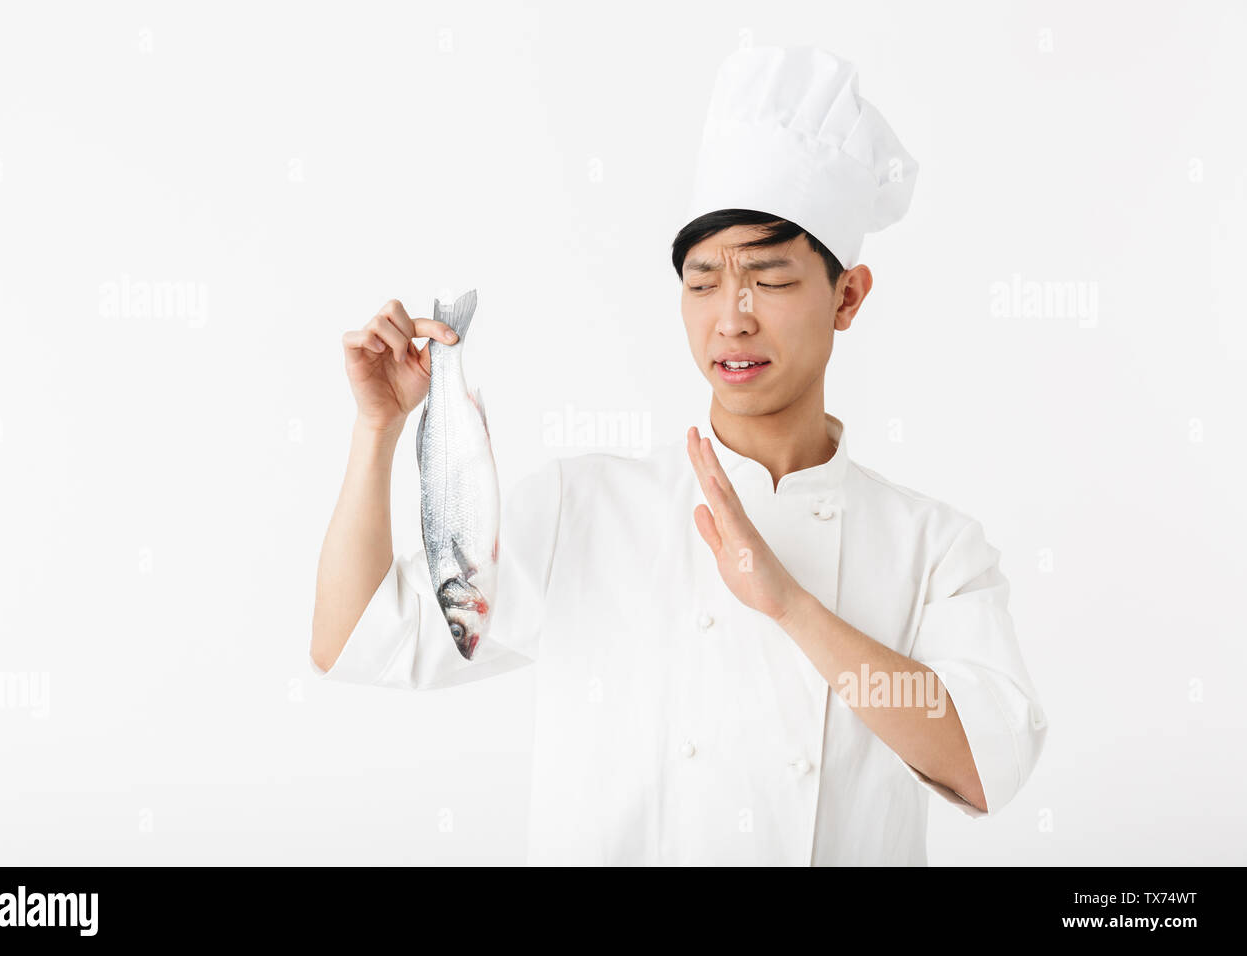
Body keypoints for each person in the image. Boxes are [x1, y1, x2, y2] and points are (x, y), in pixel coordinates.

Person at [309, 46, 1048, 865]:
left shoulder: (931, 547)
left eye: (767, 279)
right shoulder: (579, 508)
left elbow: (988, 765)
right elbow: (355, 641)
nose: (731, 318)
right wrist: (377, 431)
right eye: (702, 283)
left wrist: (788, 604)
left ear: (848, 297)